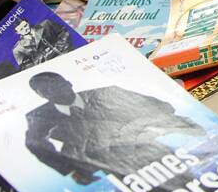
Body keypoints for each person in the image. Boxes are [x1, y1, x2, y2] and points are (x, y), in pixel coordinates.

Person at [23, 72, 205, 185]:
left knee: (190, 183)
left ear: (68, 82)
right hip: (116, 167)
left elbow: (161, 106)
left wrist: (141, 127)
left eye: (55, 85)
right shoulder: (40, 116)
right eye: (45, 91)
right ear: (42, 96)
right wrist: (72, 168)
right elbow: (34, 142)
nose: (52, 92)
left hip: (150, 150)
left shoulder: (107, 92)